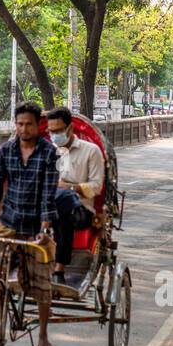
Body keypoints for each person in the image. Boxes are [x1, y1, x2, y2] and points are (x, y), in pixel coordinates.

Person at [0, 102, 60, 346]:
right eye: (19, 124)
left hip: (36, 225)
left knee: (41, 283)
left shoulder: (48, 153)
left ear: (38, 126)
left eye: (28, 124)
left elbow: (49, 196)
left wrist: (45, 230)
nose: (23, 129)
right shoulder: (5, 151)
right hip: (9, 218)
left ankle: (44, 336)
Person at [45, 107, 104, 288]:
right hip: (51, 207)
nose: (54, 135)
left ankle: (59, 269)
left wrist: (71, 187)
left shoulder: (91, 151)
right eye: (51, 131)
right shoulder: (49, 152)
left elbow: (96, 186)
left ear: (70, 129)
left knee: (63, 216)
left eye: (58, 131)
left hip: (81, 211)